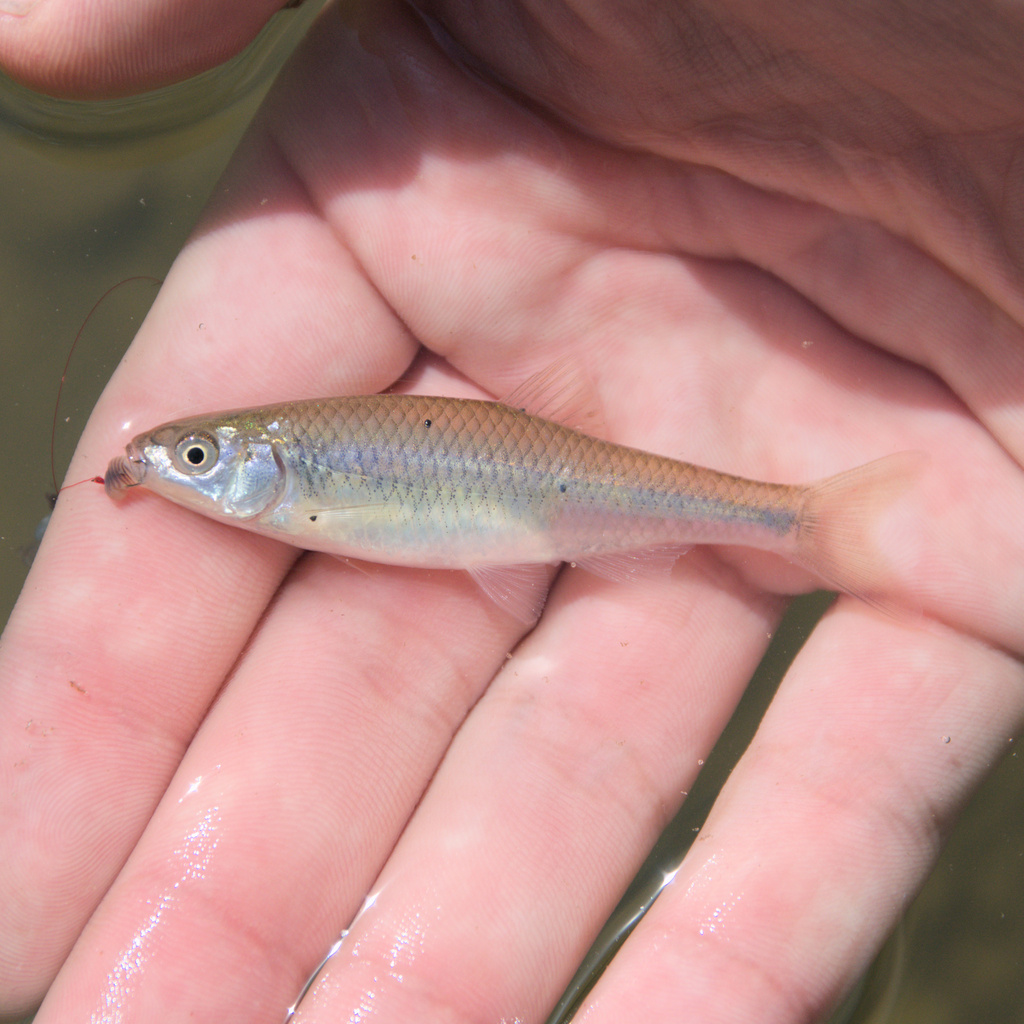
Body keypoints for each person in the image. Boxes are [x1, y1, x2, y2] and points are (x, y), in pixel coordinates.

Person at [2, 1, 1023, 1021]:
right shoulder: (290, 472)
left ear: (273, 464)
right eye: (191, 457)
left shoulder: (300, 476)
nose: (185, 472)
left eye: (197, 458)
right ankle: (797, 519)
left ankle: (795, 518)